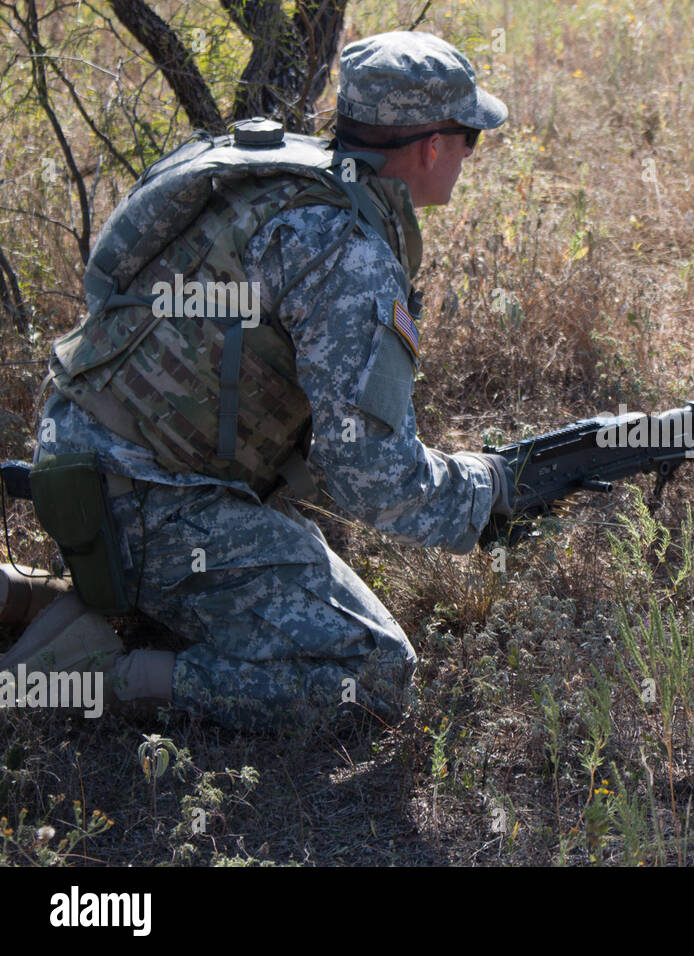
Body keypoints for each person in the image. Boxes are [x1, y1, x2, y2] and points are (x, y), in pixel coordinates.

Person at [7, 31, 512, 732]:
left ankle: (44, 599)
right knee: (374, 672)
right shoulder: (348, 254)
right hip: (143, 503)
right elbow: (371, 477)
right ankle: (104, 675)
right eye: (469, 140)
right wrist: (484, 493)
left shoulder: (286, 178)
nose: (466, 156)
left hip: (82, 455)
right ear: (432, 145)